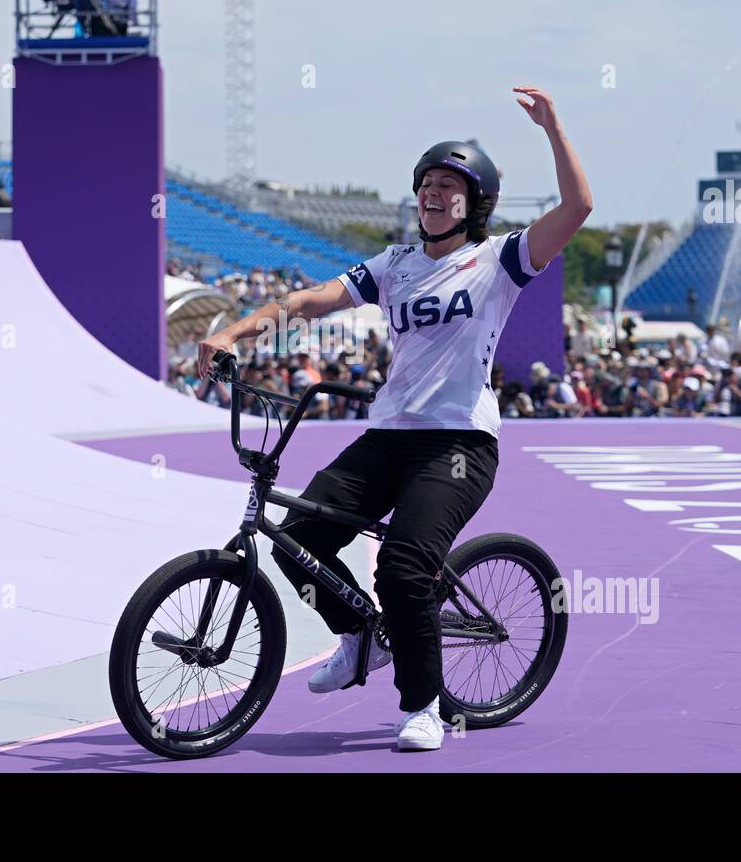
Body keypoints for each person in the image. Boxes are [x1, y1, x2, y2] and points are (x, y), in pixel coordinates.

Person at [196, 86, 592, 752]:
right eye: (426, 184)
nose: (433, 193)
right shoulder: (398, 264)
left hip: (458, 445)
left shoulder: (498, 262)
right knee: (298, 538)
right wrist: (237, 331)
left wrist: (554, 128)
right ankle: (356, 637)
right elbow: (316, 298)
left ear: (475, 202)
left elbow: (578, 208)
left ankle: (426, 706)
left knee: (404, 567)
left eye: (449, 185)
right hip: (388, 437)